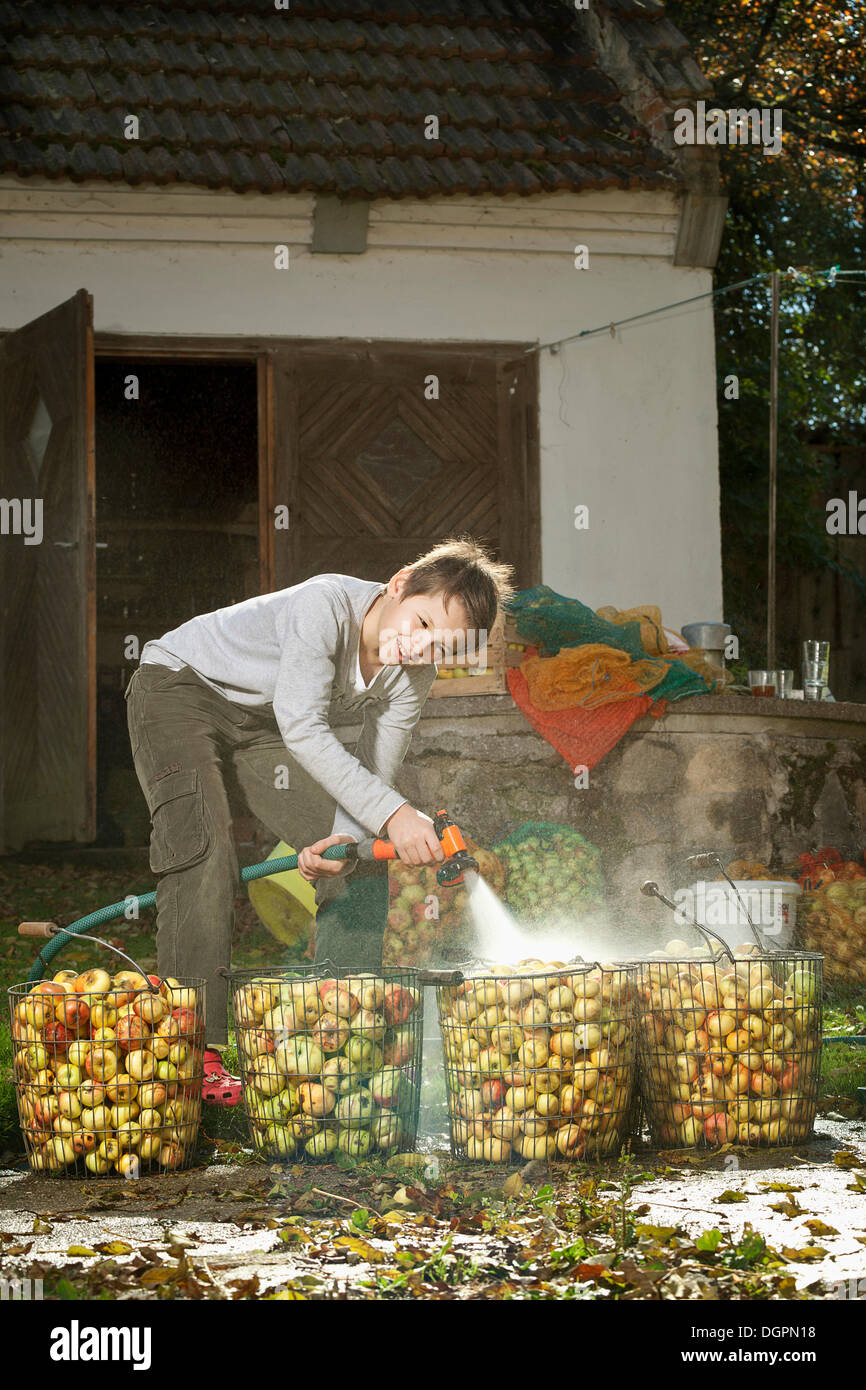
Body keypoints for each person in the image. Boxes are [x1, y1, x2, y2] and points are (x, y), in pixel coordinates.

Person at [125, 536, 514, 1104]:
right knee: (204, 851)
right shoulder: (325, 605)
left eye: (441, 646)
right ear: (401, 584)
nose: (419, 647)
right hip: (181, 690)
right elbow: (305, 727)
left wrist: (344, 847)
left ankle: (330, 1038)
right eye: (423, 622)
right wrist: (399, 814)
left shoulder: (414, 672)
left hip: (266, 725)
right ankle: (195, 1051)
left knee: (361, 863)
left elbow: (375, 775)